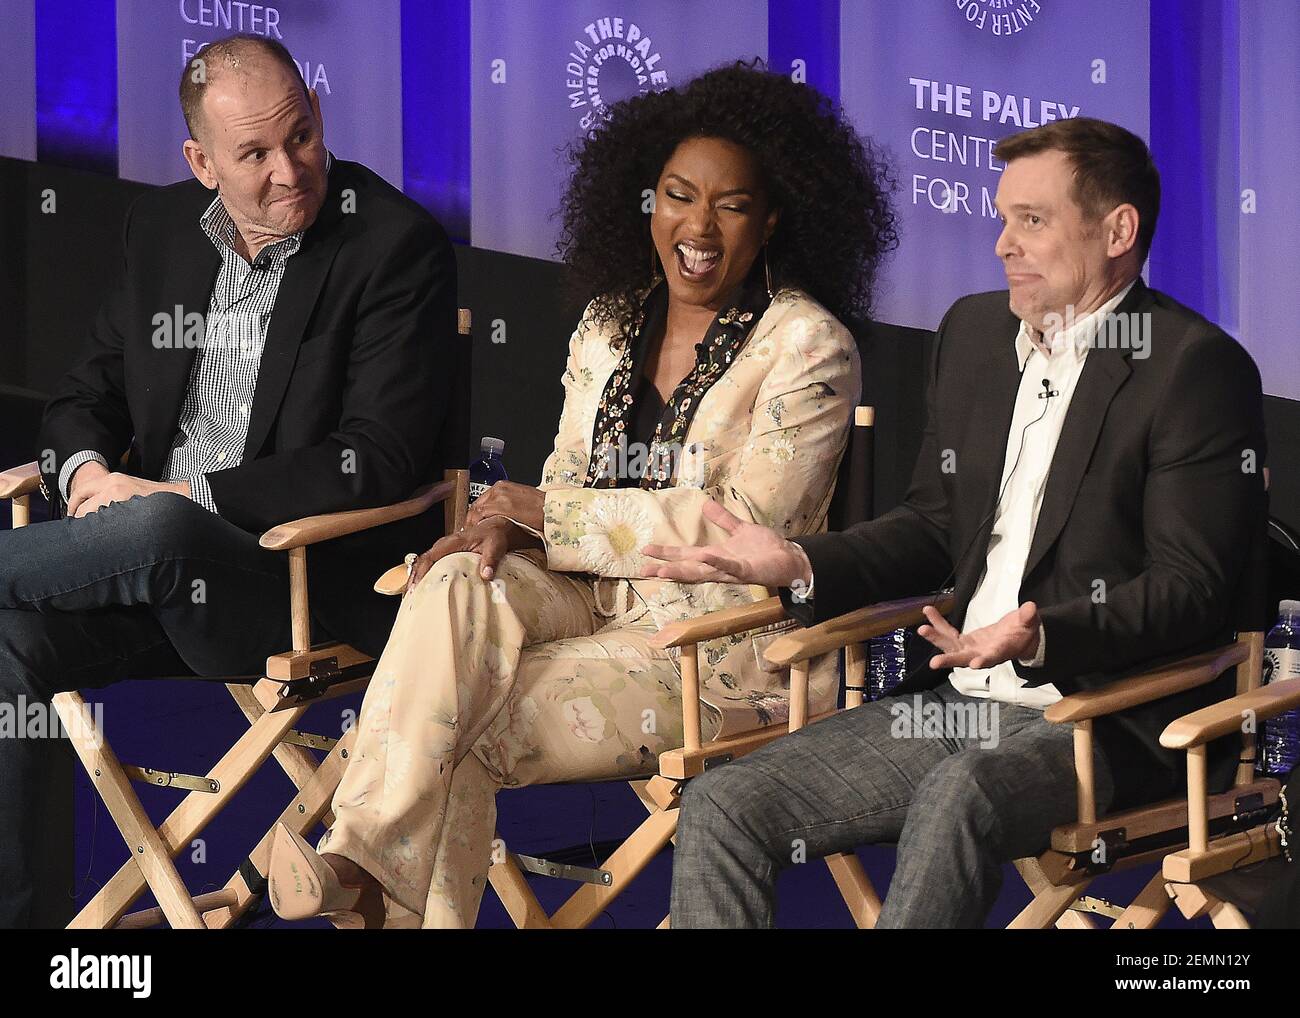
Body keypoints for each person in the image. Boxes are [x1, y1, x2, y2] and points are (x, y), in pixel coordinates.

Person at [264, 62, 897, 928]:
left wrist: (543, 516)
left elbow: (744, 530)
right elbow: (558, 485)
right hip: (587, 597)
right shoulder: (608, 320)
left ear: (772, 222)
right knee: (456, 582)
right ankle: (362, 863)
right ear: (646, 202)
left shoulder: (809, 347)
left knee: (456, 722)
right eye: (678, 195)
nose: (699, 225)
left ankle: (365, 866)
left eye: (732, 205)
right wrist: (505, 532)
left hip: (724, 644)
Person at [650, 117, 1269, 928]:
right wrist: (801, 563)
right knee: (725, 804)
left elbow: (1191, 591)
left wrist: (1042, 633)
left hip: (1103, 716)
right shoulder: (977, 334)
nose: (1003, 244)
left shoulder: (1191, 367)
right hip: (960, 702)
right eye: (1003, 218)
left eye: (1033, 221)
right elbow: (934, 526)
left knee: (957, 795)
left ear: (1118, 230)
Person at [0, 33, 456, 928]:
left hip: (287, 587)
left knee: (163, 529)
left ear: (319, 117)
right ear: (201, 162)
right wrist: (89, 471)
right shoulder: (162, 231)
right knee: (9, 646)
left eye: (302, 138)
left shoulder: (395, 245)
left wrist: (182, 499)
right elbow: (83, 398)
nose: (290, 171)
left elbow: (382, 456)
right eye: (253, 154)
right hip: (134, 567)